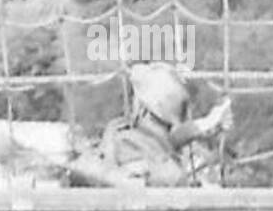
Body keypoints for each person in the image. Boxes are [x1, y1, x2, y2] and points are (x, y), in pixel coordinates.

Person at [95, 63, 232, 186]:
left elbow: (165, 143)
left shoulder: (128, 141)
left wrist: (204, 125)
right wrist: (203, 125)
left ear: (142, 108)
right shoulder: (153, 155)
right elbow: (165, 143)